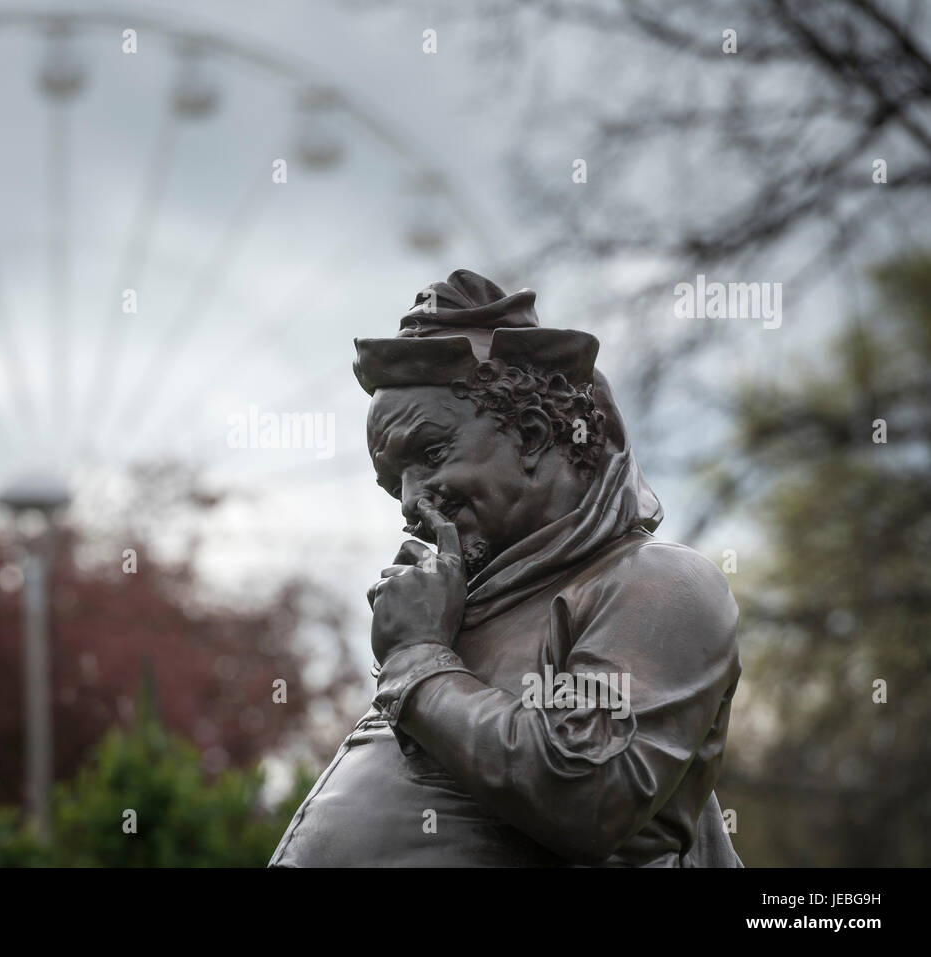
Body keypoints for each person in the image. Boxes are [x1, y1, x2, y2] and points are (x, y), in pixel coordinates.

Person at [269, 269, 742, 867]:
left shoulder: (657, 583)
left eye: (431, 454)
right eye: (395, 485)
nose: (412, 501)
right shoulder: (460, 612)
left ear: (534, 434)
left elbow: (590, 792)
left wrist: (417, 660)